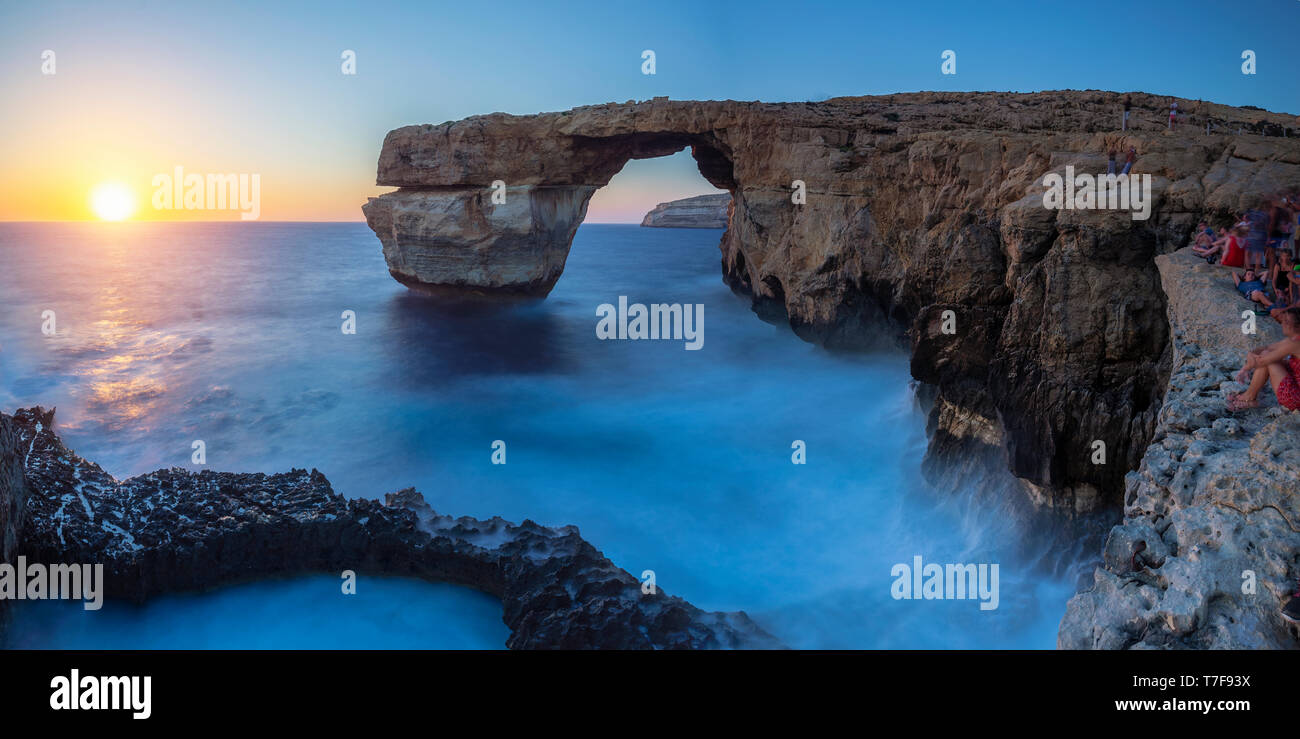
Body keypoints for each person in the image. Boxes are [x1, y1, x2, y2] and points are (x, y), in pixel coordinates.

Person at [1226, 306, 1300, 411]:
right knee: (1268, 354)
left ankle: (1249, 396)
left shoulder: (1294, 343)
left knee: (1268, 358)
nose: (1282, 323)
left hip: (1295, 400)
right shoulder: (1294, 340)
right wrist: (1250, 354)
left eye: (1287, 322)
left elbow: (1262, 360)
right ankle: (1250, 394)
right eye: (1284, 320)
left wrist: (1245, 368)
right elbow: (1266, 347)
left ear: (1298, 327)